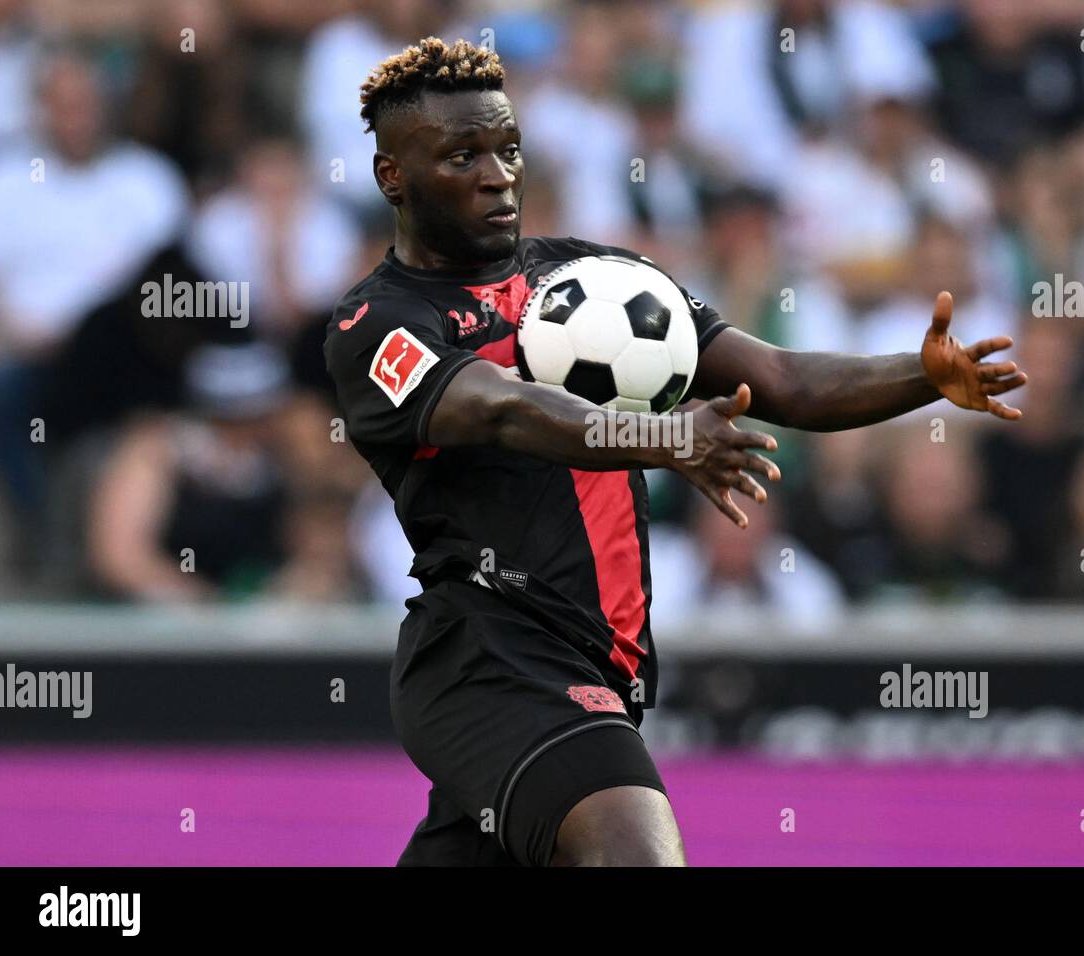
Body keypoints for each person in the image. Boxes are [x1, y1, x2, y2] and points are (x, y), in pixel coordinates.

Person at [323, 37, 1027, 867]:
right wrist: (662, 436)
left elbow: (782, 381)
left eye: (508, 149)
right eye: (461, 155)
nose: (497, 174)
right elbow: (505, 411)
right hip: (489, 654)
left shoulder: (594, 276)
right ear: (392, 178)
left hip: (599, 664)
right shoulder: (377, 324)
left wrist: (922, 374)